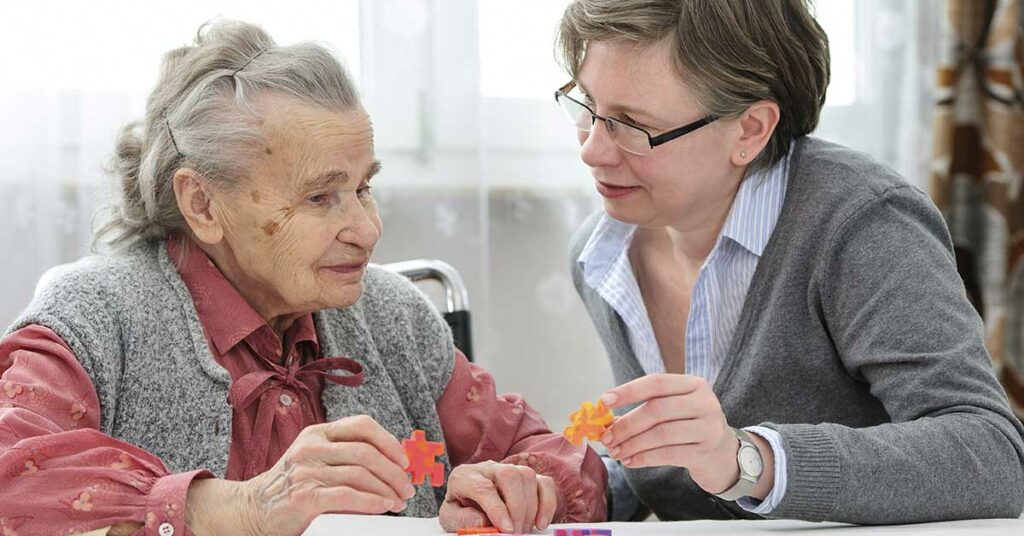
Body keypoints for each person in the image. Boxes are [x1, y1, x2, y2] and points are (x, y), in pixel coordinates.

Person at [0, 20, 605, 536]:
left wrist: (516, 491)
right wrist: (249, 505)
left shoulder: (391, 316)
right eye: (320, 196)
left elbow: (568, 466)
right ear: (203, 205)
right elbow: (11, 474)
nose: (366, 229)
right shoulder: (97, 316)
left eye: (364, 187)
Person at [555, 0, 1024, 523]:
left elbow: (992, 457)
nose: (592, 151)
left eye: (632, 124)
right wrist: (565, 486)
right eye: (588, 106)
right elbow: (679, 468)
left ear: (750, 130)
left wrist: (748, 460)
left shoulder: (862, 225)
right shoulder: (601, 255)